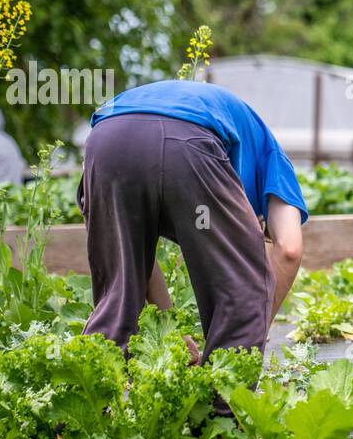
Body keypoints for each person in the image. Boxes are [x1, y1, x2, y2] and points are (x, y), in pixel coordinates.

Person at [77, 79, 307, 362]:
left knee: (118, 292)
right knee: (244, 284)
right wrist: (251, 329)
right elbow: (289, 249)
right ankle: (217, 403)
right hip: (188, 138)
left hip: (106, 139)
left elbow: (136, 258)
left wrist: (171, 332)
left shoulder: (235, 130)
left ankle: (90, 391)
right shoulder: (274, 158)